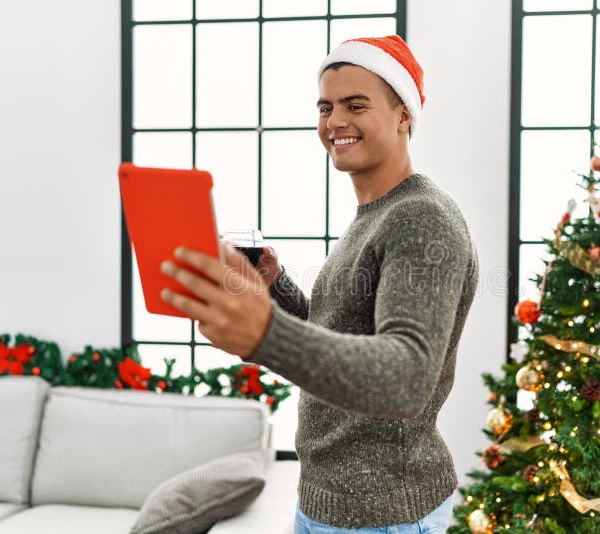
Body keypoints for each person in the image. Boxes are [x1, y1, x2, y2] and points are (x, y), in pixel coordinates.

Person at [160, 35, 479, 533]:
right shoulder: (378, 213)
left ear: (403, 116)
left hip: (383, 515)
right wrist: (278, 288)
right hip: (327, 503)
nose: (335, 123)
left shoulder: (421, 218)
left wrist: (266, 332)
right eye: (326, 107)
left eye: (356, 105)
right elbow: (345, 338)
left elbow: (407, 377)